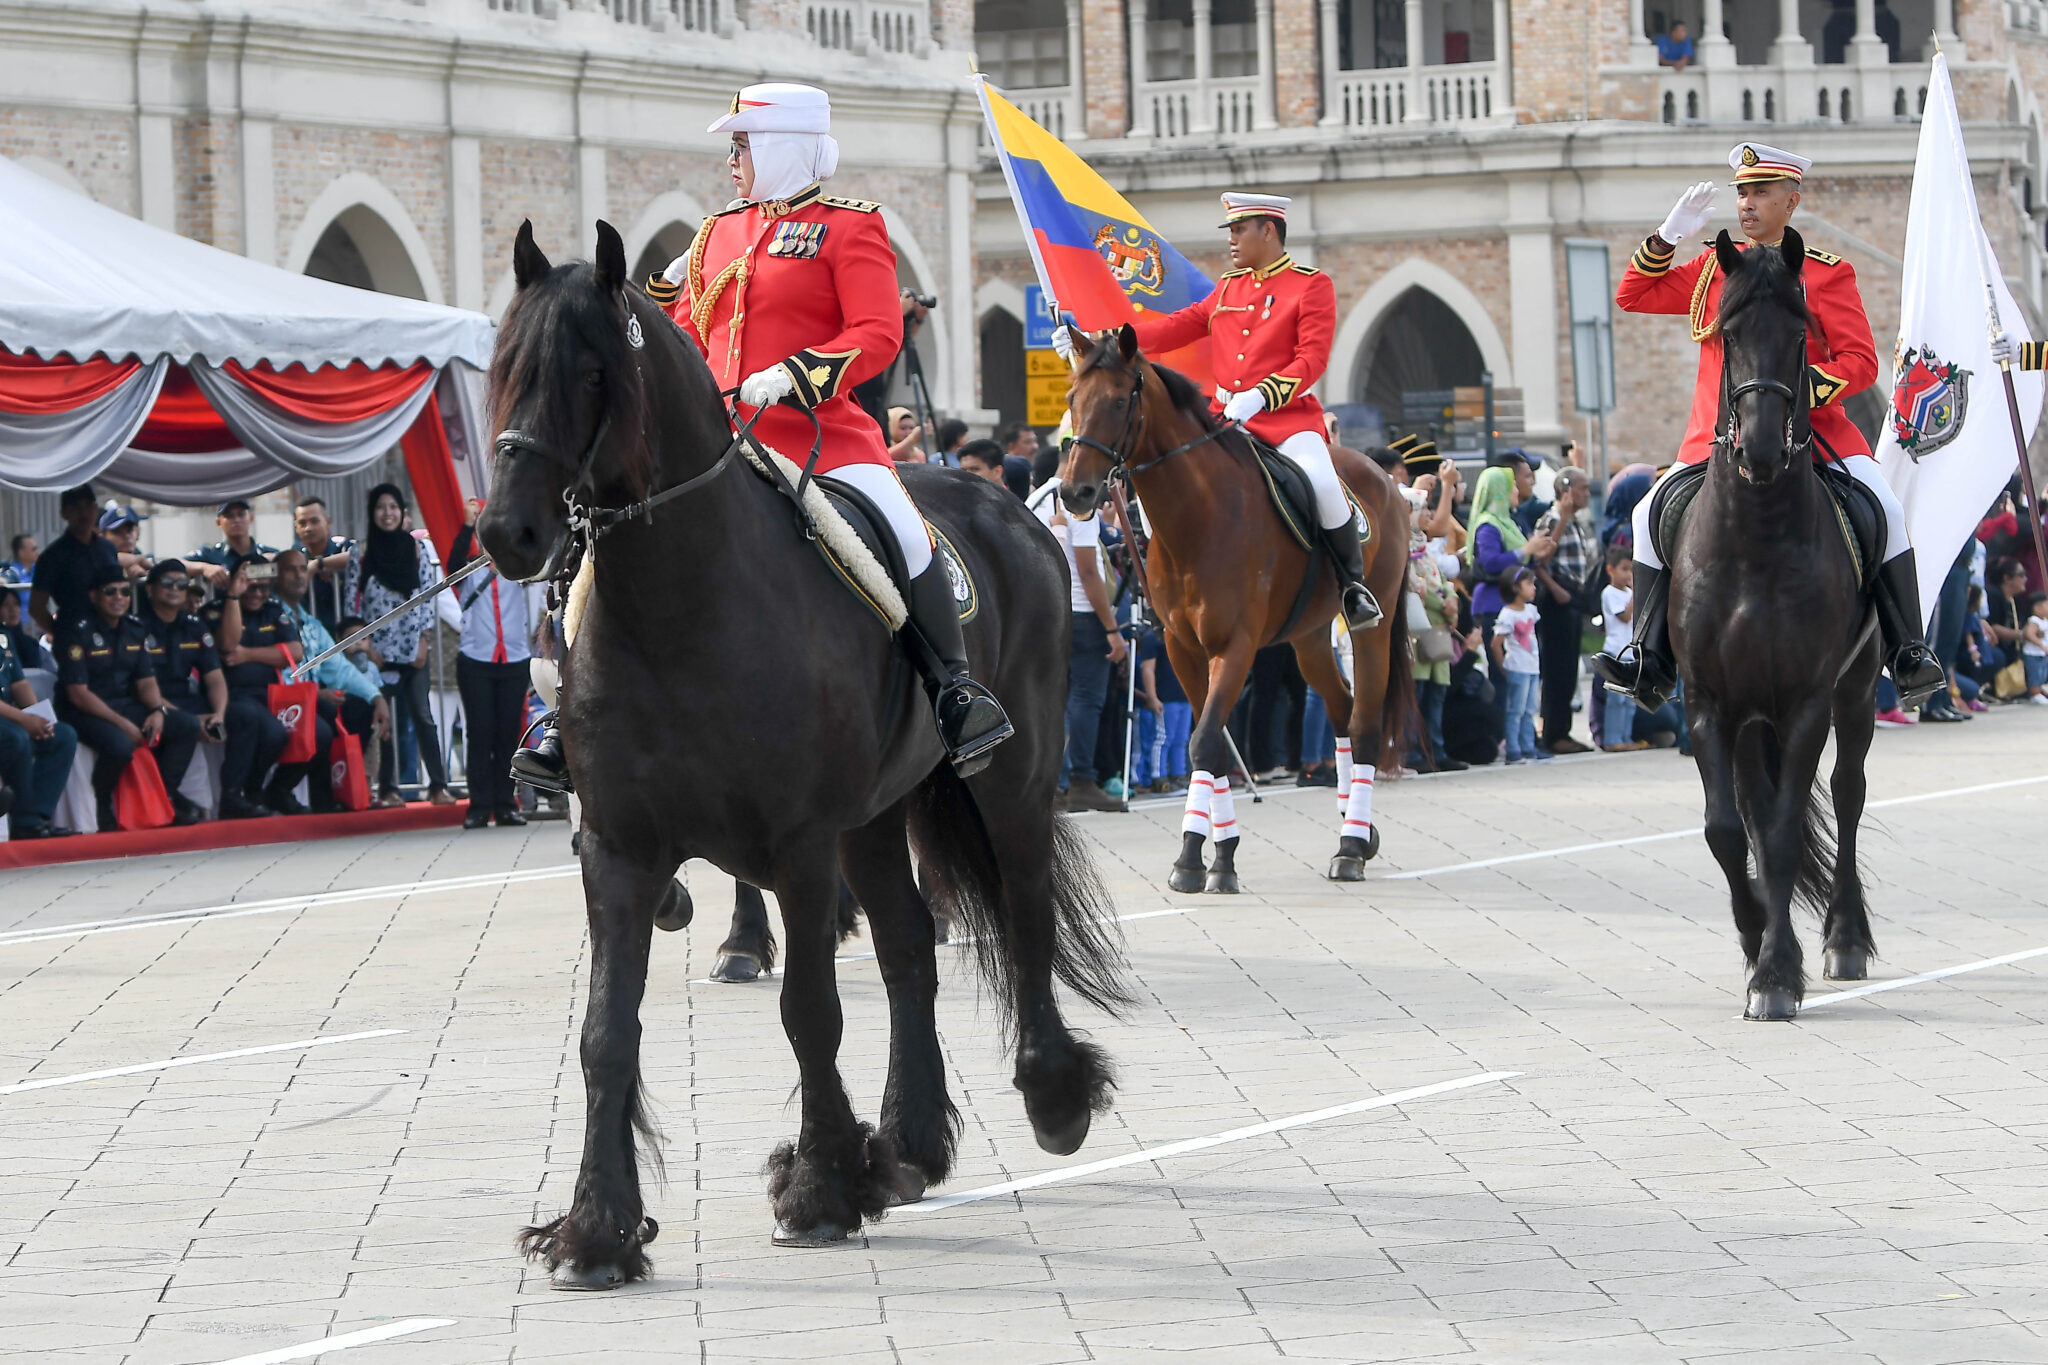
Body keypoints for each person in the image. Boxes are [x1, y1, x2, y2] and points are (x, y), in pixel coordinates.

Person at [620, 79, 1009, 789]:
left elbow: (879, 331)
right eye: (734, 144)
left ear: (784, 147)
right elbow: (680, 341)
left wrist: (799, 374)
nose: (732, 158)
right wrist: (657, 296)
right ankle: (579, 709)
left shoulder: (849, 225)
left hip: (820, 436)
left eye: (744, 143)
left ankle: (954, 687)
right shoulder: (715, 233)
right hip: (723, 442)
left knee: (904, 530)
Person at [1595, 142, 1944, 713]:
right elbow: (1632, 295)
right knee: (1644, 514)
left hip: (1818, 434)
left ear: (1792, 200)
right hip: (1716, 438)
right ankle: (1647, 655)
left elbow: (1861, 362)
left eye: (1760, 192)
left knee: (1888, 510)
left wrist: (1798, 393)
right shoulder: (1713, 269)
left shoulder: (1827, 274)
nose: (1747, 203)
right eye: (1741, 192)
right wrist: (1666, 236)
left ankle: (1909, 649)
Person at [1059, 191, 1380, 632]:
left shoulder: (1311, 285)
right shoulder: (1229, 286)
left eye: (1238, 229)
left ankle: (1351, 586)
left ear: (1268, 230)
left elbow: (1312, 359)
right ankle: (1167, 586)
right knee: (1162, 480)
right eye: (1229, 230)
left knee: (1323, 482)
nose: (1231, 239)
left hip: (1285, 419)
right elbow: (1177, 326)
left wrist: (1264, 394)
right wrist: (1099, 341)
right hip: (1224, 418)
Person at [55, 564, 202, 830]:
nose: (119, 598)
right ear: (94, 596)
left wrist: (158, 710)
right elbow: (78, 694)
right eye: (110, 592)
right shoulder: (77, 630)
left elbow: (145, 681)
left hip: (123, 704)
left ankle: (165, 798)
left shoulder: (134, 629)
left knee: (186, 726)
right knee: (120, 745)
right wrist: (122, 723)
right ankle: (102, 806)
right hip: (84, 710)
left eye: (124, 592)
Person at [342, 484, 457, 807]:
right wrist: (365, 648)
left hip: (413, 651)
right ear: (372, 513)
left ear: (402, 512)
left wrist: (423, 642)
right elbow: (352, 603)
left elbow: (425, 598)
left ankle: (438, 785)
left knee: (423, 715)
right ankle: (388, 788)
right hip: (377, 653)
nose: (387, 513)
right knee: (384, 720)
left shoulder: (417, 549)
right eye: (381, 507)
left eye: (393, 506)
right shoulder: (361, 552)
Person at [1028, 476, 1127, 810]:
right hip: (1084, 613)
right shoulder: (1079, 500)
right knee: (1086, 701)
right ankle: (1081, 780)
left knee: (1054, 701)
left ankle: (1054, 785)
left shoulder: (1038, 496)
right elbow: (1087, 571)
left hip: (1048, 612)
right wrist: (1112, 628)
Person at [273, 547, 389, 811]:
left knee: (363, 708)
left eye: (303, 569)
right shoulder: (270, 617)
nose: (299, 575)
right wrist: (315, 695)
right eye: (291, 569)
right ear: (275, 576)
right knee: (323, 718)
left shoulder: (311, 623)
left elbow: (338, 668)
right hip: (284, 703)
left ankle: (345, 793)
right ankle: (279, 790)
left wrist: (376, 696)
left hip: (311, 701)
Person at [449, 502, 542, 829]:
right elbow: (451, 564)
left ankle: (506, 803)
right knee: (480, 733)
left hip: (514, 659)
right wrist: (465, 526)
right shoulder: (469, 570)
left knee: (506, 735)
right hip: (476, 660)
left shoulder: (521, 571)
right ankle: (478, 806)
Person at [205, 556, 321, 817]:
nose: (257, 593)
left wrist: (247, 654)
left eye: (263, 587)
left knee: (320, 730)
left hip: (271, 694)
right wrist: (234, 597)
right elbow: (226, 644)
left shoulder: (272, 610)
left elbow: (295, 651)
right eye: (250, 586)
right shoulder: (217, 609)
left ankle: (274, 790)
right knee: (265, 728)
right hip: (231, 695)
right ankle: (233, 795)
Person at [1533, 467, 1595, 754]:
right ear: (1566, 490)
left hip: (1573, 597)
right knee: (1557, 669)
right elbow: (1540, 558)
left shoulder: (1575, 520)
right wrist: (1556, 589)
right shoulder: (1553, 518)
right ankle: (1554, 733)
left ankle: (1562, 729)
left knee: (1569, 669)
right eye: (1582, 488)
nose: (1587, 494)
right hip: (1556, 598)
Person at [136, 559, 228, 746]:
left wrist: (219, 714)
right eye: (168, 583)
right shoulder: (135, 628)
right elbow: (138, 686)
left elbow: (215, 678)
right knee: (187, 725)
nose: (175, 588)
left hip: (185, 698)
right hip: (150, 702)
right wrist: (189, 718)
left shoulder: (194, 625)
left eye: (183, 584)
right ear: (149, 589)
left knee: (242, 718)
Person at [0, 619, 77, 838]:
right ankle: (25, 821)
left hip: (9, 715)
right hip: (6, 720)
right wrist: (24, 720)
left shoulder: (3, 634)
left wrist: (38, 717)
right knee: (17, 738)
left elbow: (18, 683)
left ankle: (39, 816)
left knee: (61, 735)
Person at [29, 483, 120, 639]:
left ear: (95, 509)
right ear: (64, 513)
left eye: (88, 506)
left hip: (110, 632)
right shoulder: (53, 556)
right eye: (76, 507)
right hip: (73, 633)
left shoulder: (108, 548)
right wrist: (59, 633)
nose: (83, 513)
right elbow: (37, 606)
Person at [1492, 567, 1544, 763]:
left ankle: (1528, 747)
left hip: (1532, 666)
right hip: (1517, 666)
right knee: (1516, 710)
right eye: (1529, 584)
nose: (1533, 588)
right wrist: (1503, 666)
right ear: (1515, 587)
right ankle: (1513, 749)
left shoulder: (1531, 610)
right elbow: (1496, 644)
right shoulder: (1507, 614)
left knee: (1529, 709)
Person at [1598, 549, 1648, 751]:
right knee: (1616, 699)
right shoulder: (1610, 593)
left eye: (1631, 569)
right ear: (1610, 570)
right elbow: (1625, 616)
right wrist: (1636, 593)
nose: (1628, 574)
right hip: (1615, 652)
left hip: (1630, 653)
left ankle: (1626, 738)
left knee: (1629, 700)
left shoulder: (1628, 594)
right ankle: (1612, 739)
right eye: (1624, 569)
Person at [293, 495, 355, 632]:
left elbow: (360, 556)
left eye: (314, 521)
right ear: (296, 527)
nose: (308, 528)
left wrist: (318, 564)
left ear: (328, 522)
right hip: (313, 637)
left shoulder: (342, 546)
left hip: (350, 637)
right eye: (302, 523)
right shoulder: (296, 554)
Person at [187, 498, 279, 589]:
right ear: (218, 522)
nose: (236, 520)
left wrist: (279, 561)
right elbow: (177, 565)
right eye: (229, 516)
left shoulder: (268, 553)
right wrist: (204, 568)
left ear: (251, 518)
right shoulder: (211, 554)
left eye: (241, 514)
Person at [98, 505, 153, 580]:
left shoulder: (147, 562)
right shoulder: (96, 564)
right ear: (102, 537)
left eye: (129, 530)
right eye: (117, 532)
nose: (126, 536)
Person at [997, 422, 1043, 498]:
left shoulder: (1037, 470)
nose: (1035, 446)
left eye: (1035, 441)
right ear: (1011, 446)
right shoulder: (1003, 471)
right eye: (1027, 442)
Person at [2023, 591, 2048, 705]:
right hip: (2033, 653)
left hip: (2041, 654)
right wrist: (2041, 645)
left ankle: (2040, 691)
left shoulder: (2044, 621)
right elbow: (2029, 634)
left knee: (2042, 674)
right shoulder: (2034, 620)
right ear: (2037, 607)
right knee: (2035, 674)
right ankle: (2035, 694)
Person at [3, 532, 36, 610]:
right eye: (33, 549)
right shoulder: (13, 571)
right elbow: (4, 580)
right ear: (21, 552)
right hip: (20, 620)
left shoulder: (38, 568)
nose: (37, 552)